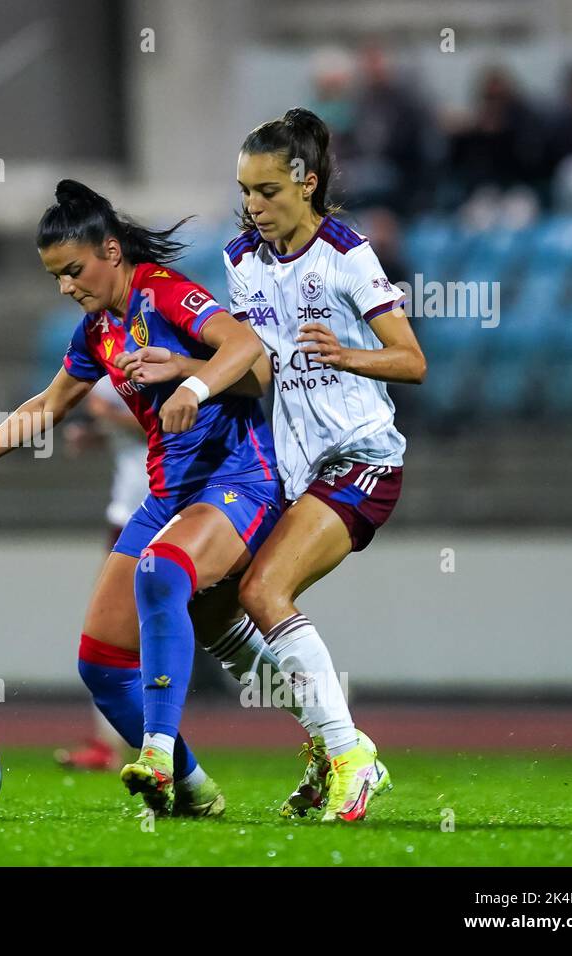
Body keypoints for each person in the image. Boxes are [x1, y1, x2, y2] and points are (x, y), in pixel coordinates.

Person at [0, 180, 298, 816]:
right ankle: (196, 793)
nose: (66, 286)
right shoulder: (97, 332)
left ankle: (161, 755)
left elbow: (247, 347)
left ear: (111, 251)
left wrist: (192, 385)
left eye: (72, 270)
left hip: (238, 480)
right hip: (168, 495)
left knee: (161, 573)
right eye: (55, 277)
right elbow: (50, 405)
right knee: (101, 662)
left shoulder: (164, 292)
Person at [120, 108, 421, 821]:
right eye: (245, 191)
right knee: (211, 606)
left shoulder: (348, 254)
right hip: (292, 468)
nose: (252, 206)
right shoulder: (241, 261)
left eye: (267, 191)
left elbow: (412, 360)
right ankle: (328, 739)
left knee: (263, 593)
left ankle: (351, 756)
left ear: (306, 183)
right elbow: (258, 372)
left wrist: (347, 354)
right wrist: (189, 363)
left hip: (360, 459)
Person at [53, 377, 147, 771]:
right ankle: (114, 743)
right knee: (115, 628)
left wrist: (108, 415)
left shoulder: (157, 352)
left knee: (115, 628)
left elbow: (173, 424)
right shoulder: (108, 360)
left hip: (157, 508)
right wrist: (97, 433)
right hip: (131, 509)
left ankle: (327, 731)